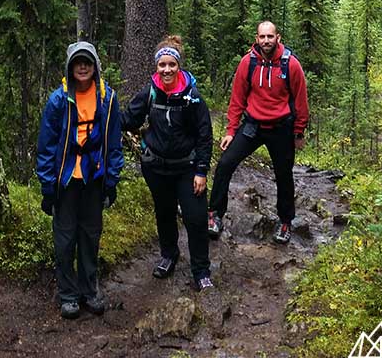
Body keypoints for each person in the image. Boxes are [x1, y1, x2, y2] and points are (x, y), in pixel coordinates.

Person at [37, 41, 123, 320]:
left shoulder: (107, 99)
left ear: (95, 66)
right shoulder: (58, 101)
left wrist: (111, 181)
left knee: (90, 236)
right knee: (65, 239)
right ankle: (68, 295)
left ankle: (89, 290)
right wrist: (48, 187)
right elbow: (46, 146)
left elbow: (114, 142)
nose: (83, 67)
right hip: (66, 180)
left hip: (94, 178)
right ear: (70, 67)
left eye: (87, 62)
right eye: (78, 62)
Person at [121, 35, 214, 290]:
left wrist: (201, 170)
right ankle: (169, 255)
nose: (166, 70)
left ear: (179, 65)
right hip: (156, 167)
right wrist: (103, 111)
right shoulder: (150, 92)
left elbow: (205, 135)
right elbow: (128, 119)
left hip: (187, 168)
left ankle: (201, 271)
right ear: (156, 66)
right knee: (164, 213)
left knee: (195, 218)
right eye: (162, 65)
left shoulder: (192, 97)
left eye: (171, 64)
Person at [208, 20, 308, 244]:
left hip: (281, 127)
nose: (266, 41)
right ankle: (214, 214)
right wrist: (231, 130)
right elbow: (237, 98)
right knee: (225, 163)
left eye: (270, 36)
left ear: (278, 38)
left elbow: (301, 101)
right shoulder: (248, 62)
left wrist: (298, 132)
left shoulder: (291, 65)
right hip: (253, 125)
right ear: (257, 39)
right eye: (262, 37)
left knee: (284, 174)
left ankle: (285, 222)